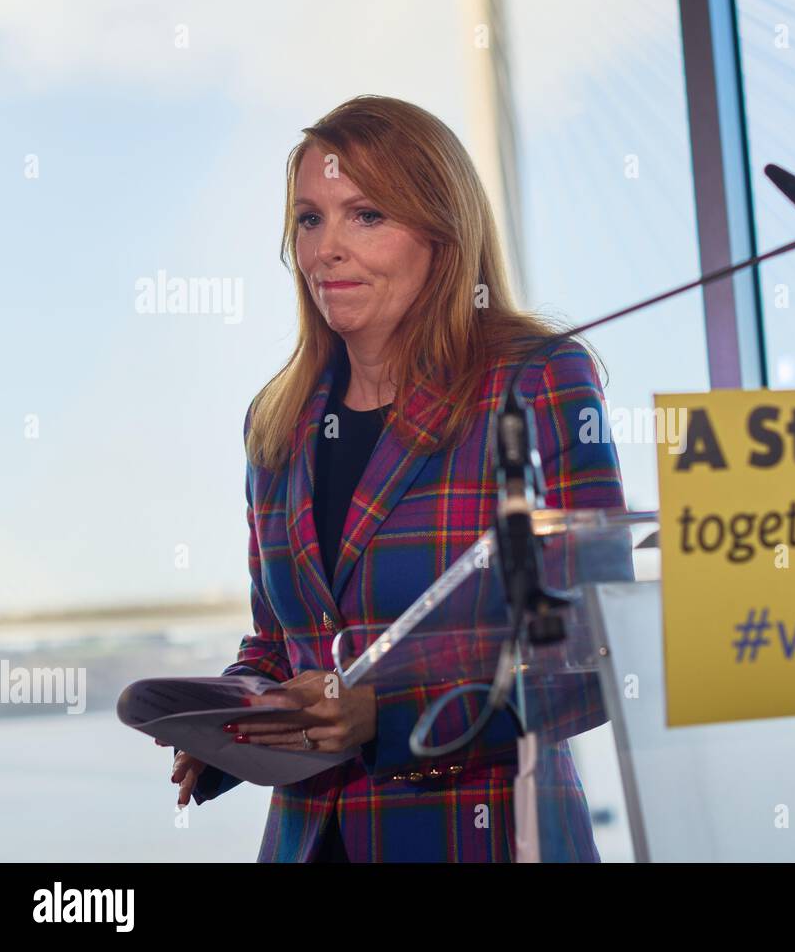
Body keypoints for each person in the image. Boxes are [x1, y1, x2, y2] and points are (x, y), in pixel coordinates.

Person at [164, 94, 625, 862]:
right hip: (309, 844)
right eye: (310, 219)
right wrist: (231, 723)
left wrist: (387, 710)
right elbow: (280, 643)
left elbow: (594, 652)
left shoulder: (538, 380)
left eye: (366, 215)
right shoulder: (274, 424)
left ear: (444, 235)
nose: (326, 250)